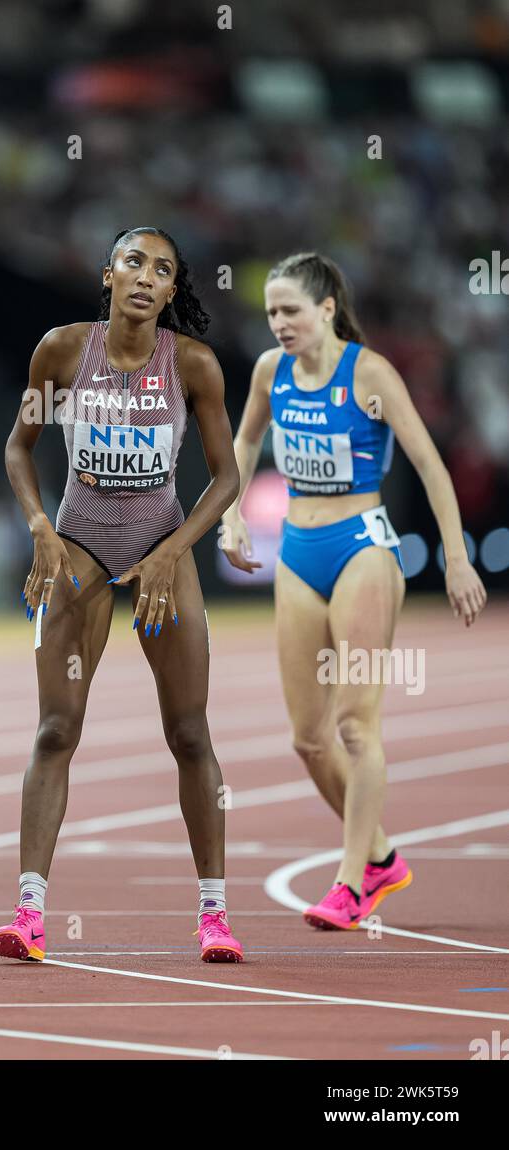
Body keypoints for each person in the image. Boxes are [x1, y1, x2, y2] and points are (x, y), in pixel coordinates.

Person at [0, 226, 244, 964]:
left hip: (162, 546)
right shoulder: (63, 350)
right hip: (77, 546)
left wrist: (172, 551)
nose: (145, 277)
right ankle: (30, 914)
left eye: (161, 270)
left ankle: (215, 916)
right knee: (54, 732)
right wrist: (39, 525)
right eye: (133, 262)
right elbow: (18, 446)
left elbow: (226, 477)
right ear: (108, 275)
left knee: (190, 734)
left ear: (170, 292)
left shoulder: (192, 364)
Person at [222, 252, 487, 930]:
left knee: (354, 726)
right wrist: (228, 512)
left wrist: (456, 559)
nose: (279, 324)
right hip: (300, 551)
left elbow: (430, 464)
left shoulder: (367, 373)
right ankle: (380, 856)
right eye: (271, 313)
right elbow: (244, 443)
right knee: (308, 740)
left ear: (328, 309)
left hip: (364, 549)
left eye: (291, 311)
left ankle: (350, 882)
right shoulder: (267, 372)